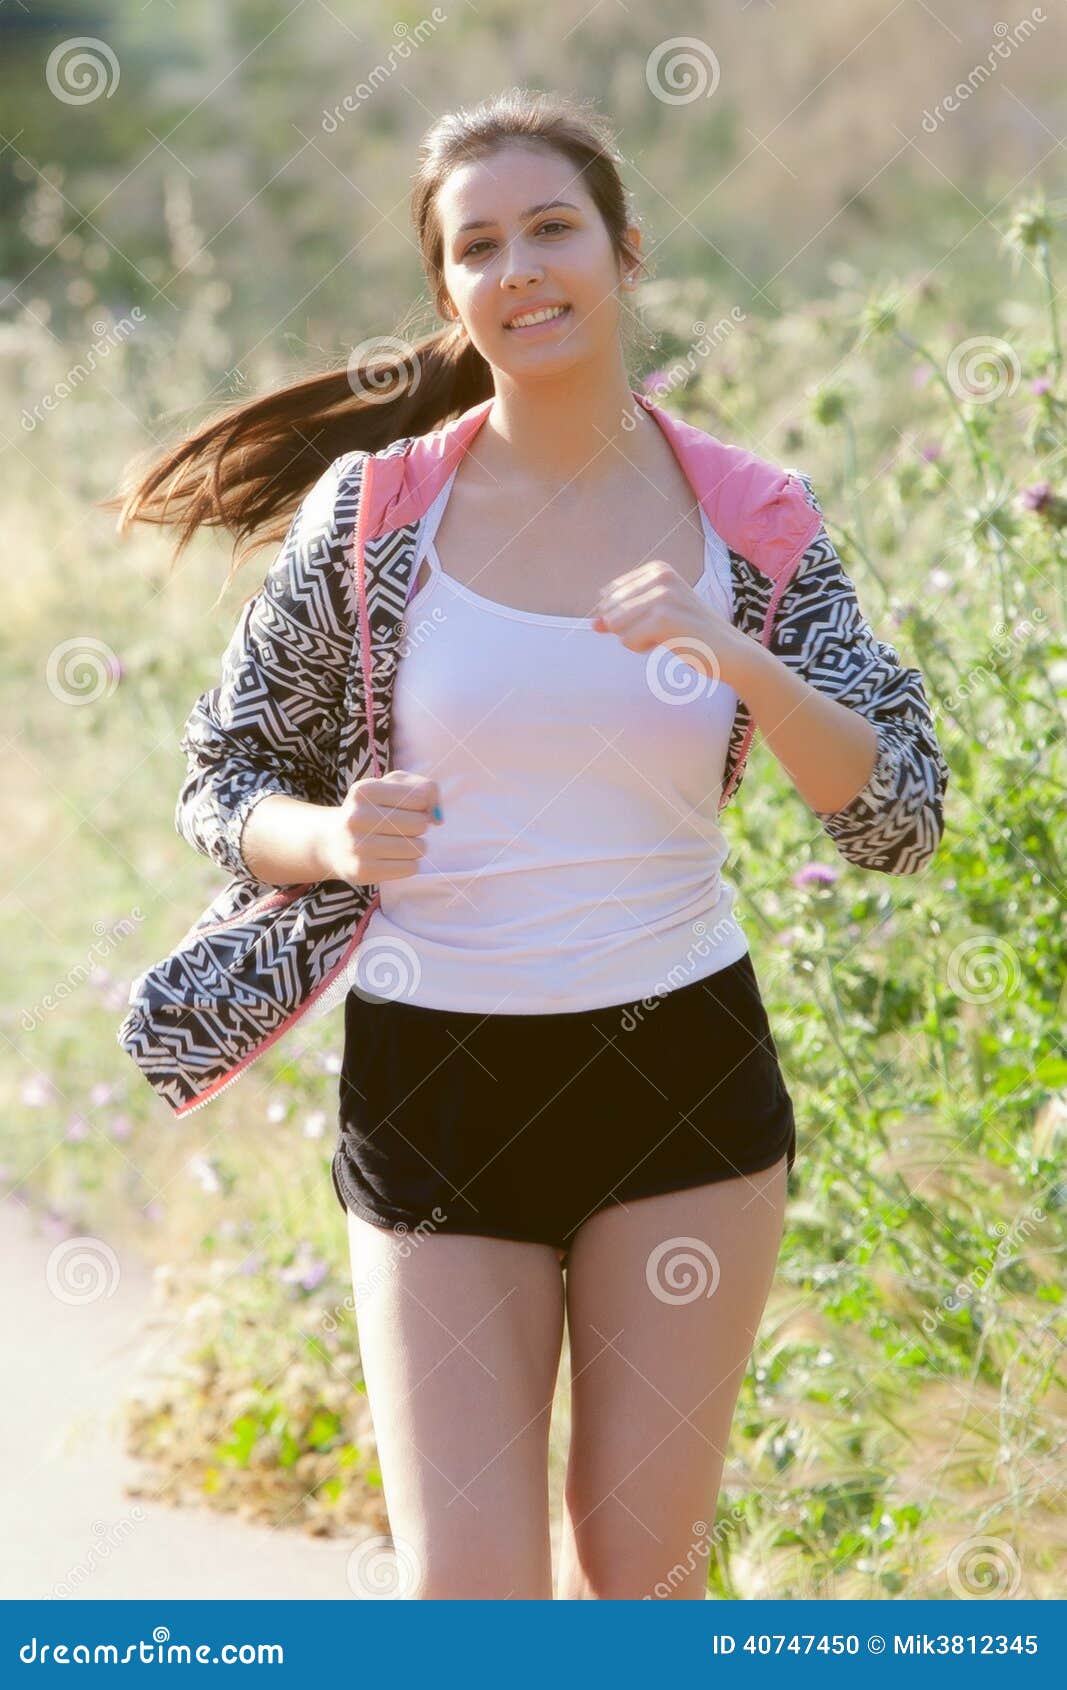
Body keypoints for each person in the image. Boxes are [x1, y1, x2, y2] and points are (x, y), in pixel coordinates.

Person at [110, 87, 948, 1600]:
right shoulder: (373, 521)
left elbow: (894, 812)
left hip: (680, 1075)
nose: (522, 268)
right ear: (449, 292)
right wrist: (332, 836)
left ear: (625, 252)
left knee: (643, 1574)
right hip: (437, 1080)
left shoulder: (751, 522)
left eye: (552, 227)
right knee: (472, 1601)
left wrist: (736, 653)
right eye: (479, 244)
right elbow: (222, 780)